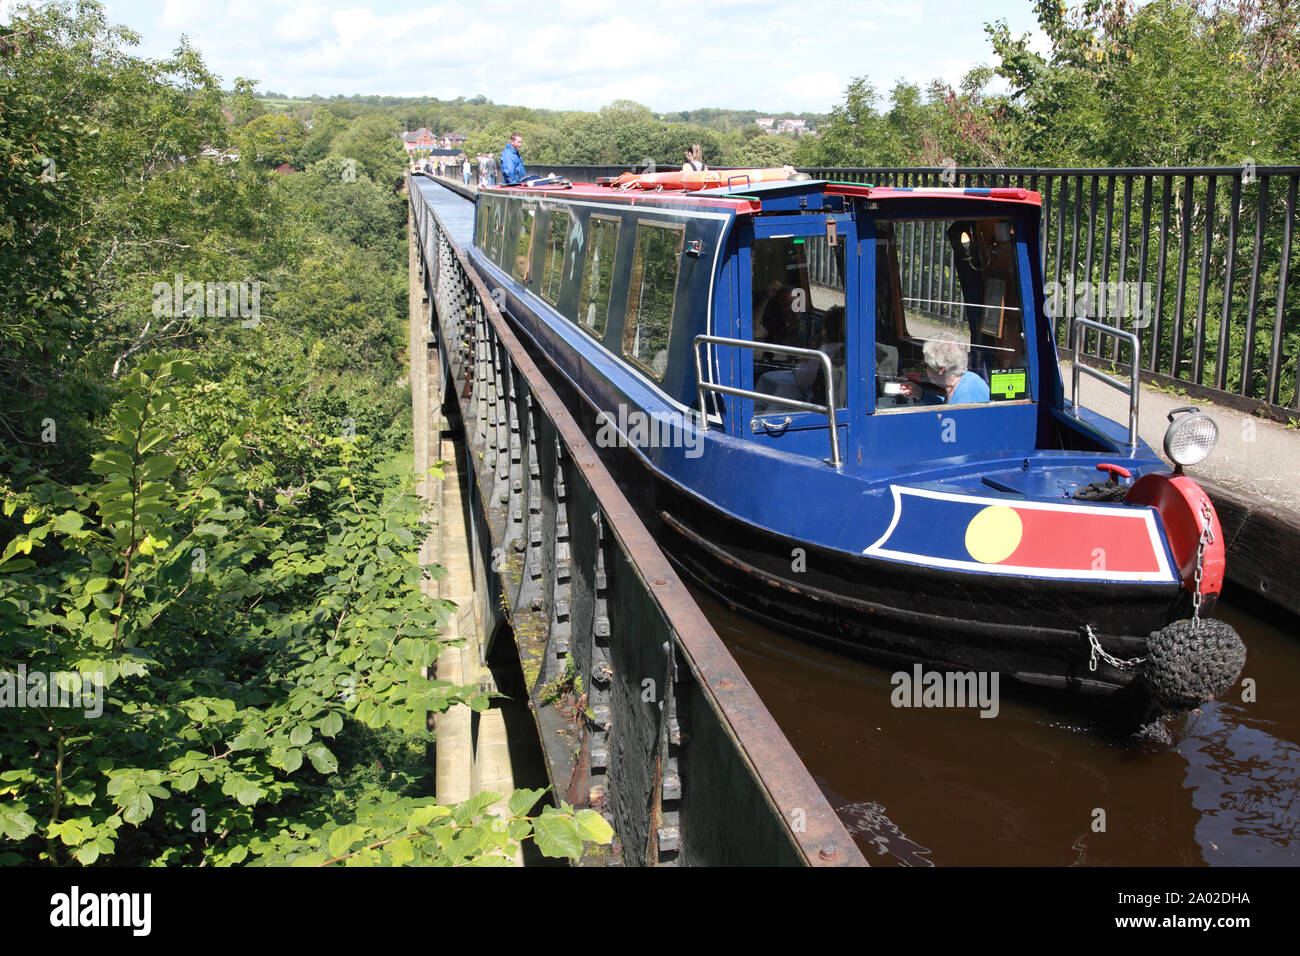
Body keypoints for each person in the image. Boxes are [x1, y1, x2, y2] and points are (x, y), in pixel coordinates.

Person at [898, 330, 990, 404]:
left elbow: (950, 418)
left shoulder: (966, 398)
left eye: (927, 365)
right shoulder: (966, 379)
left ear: (941, 369)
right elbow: (945, 408)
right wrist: (919, 393)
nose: (925, 369)